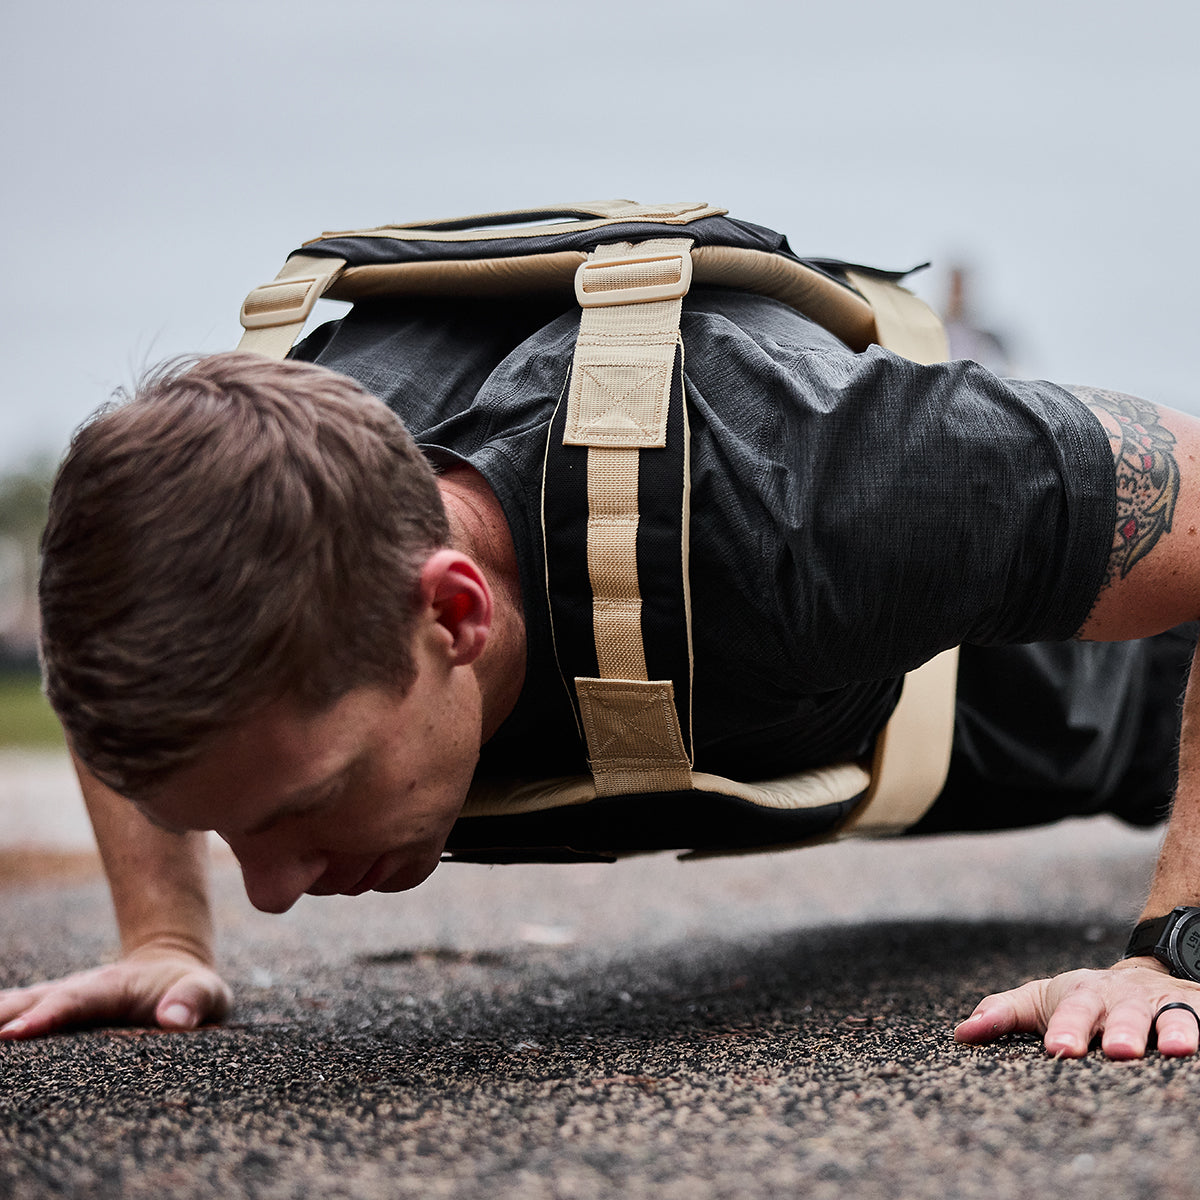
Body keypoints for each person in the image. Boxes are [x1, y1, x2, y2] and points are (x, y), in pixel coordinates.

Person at [4, 283, 1200, 1061]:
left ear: (454, 614)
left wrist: (1173, 947)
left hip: (1068, 690)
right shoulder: (203, 566)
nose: (268, 892)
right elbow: (106, 645)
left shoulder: (790, 490)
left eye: (304, 804)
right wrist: (163, 935)